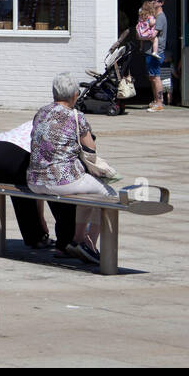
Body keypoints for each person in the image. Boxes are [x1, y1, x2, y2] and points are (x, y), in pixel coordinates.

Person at [27, 71, 119, 266]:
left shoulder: (41, 112)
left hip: (35, 181)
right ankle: (87, 243)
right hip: (61, 180)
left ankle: (77, 241)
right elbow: (90, 148)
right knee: (108, 194)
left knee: (89, 193)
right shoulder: (76, 116)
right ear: (74, 95)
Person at [0, 119, 75, 250]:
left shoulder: (41, 118)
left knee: (22, 189)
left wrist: (41, 220)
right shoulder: (67, 127)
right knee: (57, 189)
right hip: (14, 153)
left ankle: (36, 237)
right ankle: (66, 242)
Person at [148, 0, 168, 112]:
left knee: (156, 76)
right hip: (150, 50)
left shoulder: (160, 17)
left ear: (161, 3)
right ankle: (156, 100)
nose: (153, 2)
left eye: (155, 1)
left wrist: (143, 35)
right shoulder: (155, 16)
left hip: (157, 50)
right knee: (152, 76)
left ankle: (159, 102)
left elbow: (154, 34)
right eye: (152, 0)